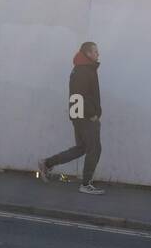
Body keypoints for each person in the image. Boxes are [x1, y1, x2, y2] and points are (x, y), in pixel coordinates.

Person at [37, 41, 104, 195]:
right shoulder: (83, 70)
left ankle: (47, 163)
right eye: (95, 51)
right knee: (95, 149)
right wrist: (91, 114)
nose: (98, 54)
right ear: (87, 53)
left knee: (82, 148)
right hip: (85, 117)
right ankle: (86, 184)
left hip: (79, 115)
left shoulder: (82, 69)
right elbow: (79, 95)